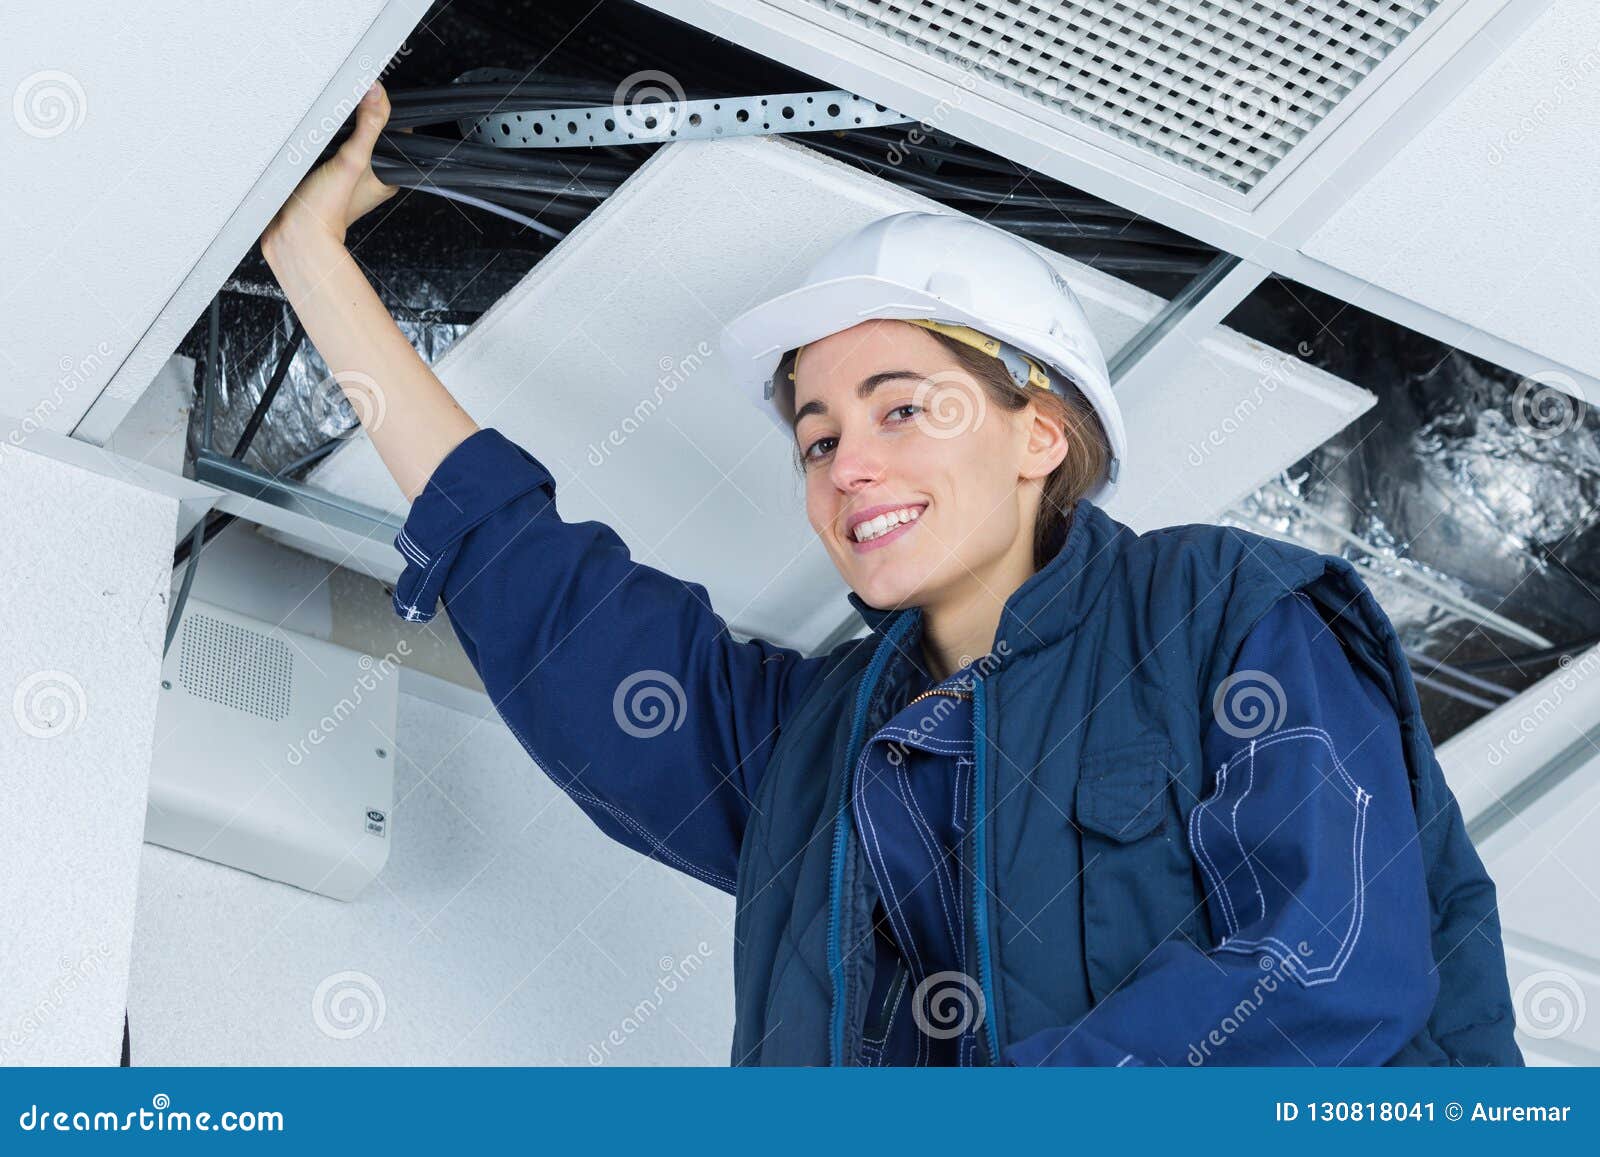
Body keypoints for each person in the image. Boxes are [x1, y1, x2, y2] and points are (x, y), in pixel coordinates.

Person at [259, 81, 1523, 1067]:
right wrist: (315, 263)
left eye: (900, 408)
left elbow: (1321, 962)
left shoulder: (1222, 612)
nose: (847, 464)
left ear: (1040, 434)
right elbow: (547, 604)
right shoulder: (812, 746)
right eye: (818, 438)